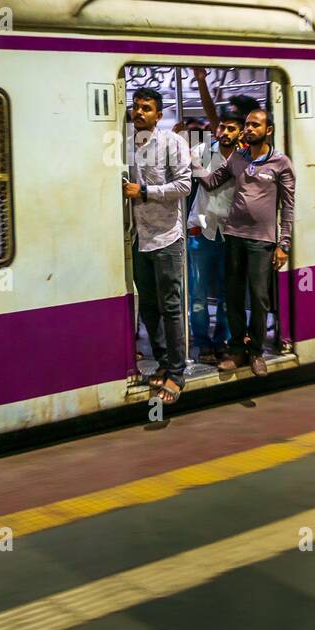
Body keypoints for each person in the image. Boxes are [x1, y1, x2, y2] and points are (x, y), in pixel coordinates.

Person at [200, 108, 295, 377]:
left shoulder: (281, 163)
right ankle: (237, 350)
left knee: (259, 297)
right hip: (234, 236)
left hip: (262, 241)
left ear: (269, 130)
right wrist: (190, 163)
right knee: (233, 295)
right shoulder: (237, 158)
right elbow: (211, 182)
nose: (250, 129)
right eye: (248, 125)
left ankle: (255, 351)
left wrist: (284, 244)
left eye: (256, 125)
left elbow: (288, 207)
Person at [124, 87, 192, 404]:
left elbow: (184, 185)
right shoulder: (127, 145)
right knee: (150, 308)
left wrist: (144, 192)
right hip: (140, 238)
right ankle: (164, 363)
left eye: (146, 108)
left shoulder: (172, 143)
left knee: (171, 307)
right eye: (136, 107)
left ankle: (177, 374)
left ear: (158, 115)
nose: (139, 112)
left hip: (167, 238)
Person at [187, 111, 244, 364]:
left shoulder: (245, 159)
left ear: (240, 132)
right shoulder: (202, 152)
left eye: (232, 128)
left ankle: (222, 340)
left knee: (227, 292)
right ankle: (202, 342)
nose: (225, 132)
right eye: (222, 127)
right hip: (202, 230)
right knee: (198, 293)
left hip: (231, 233)